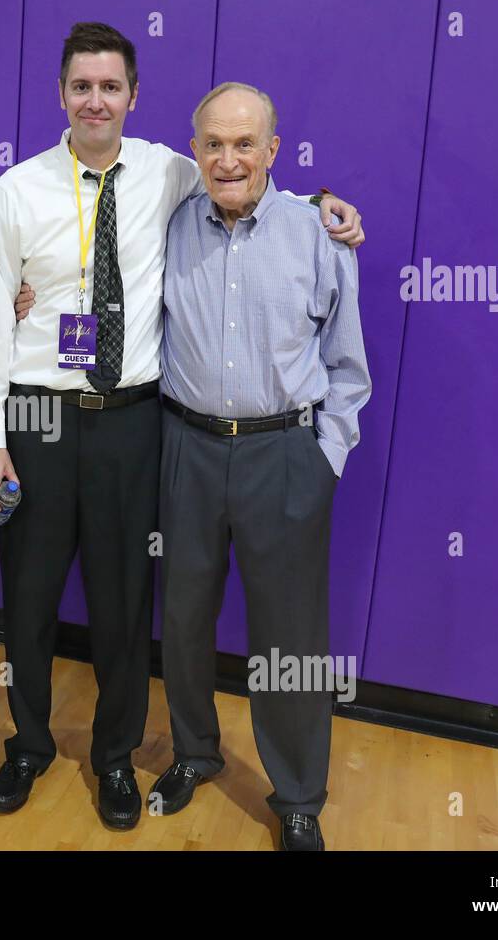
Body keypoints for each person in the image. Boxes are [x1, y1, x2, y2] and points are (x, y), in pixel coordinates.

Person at [0, 22, 364, 831]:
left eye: (111, 87)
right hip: (91, 428)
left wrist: (329, 206)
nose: (226, 159)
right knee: (96, 610)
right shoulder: (35, 190)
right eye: (83, 86)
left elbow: (342, 352)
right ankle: (79, 747)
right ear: (62, 94)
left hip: (192, 435)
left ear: (133, 97)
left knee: (189, 620)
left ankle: (221, 782)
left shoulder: (194, 185)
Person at [153, 81, 371, 851]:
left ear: (273, 151)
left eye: (245, 143)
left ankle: (300, 795)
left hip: (286, 455)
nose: (228, 158)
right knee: (181, 621)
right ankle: (193, 753)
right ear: (195, 151)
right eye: (213, 143)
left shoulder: (319, 232)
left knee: (291, 639)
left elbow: (348, 367)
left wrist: (325, 459)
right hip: (188, 448)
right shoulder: (171, 224)